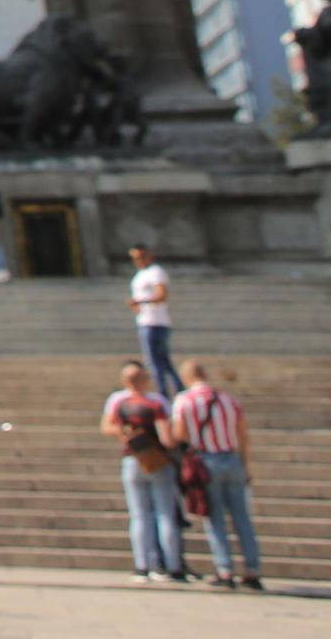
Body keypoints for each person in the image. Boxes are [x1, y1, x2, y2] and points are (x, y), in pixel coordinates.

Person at [168, 361, 259, 591]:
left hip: (205, 461)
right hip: (232, 458)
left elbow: (179, 434)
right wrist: (247, 465)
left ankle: (224, 569)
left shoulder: (185, 400)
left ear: (187, 377)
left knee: (215, 517)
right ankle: (253, 569)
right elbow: (243, 434)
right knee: (242, 517)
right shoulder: (228, 399)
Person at [99, 361, 191, 583]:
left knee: (139, 515)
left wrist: (128, 436)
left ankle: (142, 565)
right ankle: (172, 565)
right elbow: (167, 439)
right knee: (164, 514)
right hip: (158, 462)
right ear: (144, 379)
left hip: (133, 459)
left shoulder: (120, 403)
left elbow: (108, 426)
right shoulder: (155, 404)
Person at [125, 245, 178, 397]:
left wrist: (140, 302)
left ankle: (163, 394)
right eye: (135, 258)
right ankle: (177, 390)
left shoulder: (156, 272)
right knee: (163, 362)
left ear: (149, 256)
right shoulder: (139, 275)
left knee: (155, 363)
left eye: (141, 257)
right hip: (145, 321)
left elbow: (161, 295)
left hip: (156, 322)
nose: (138, 261)